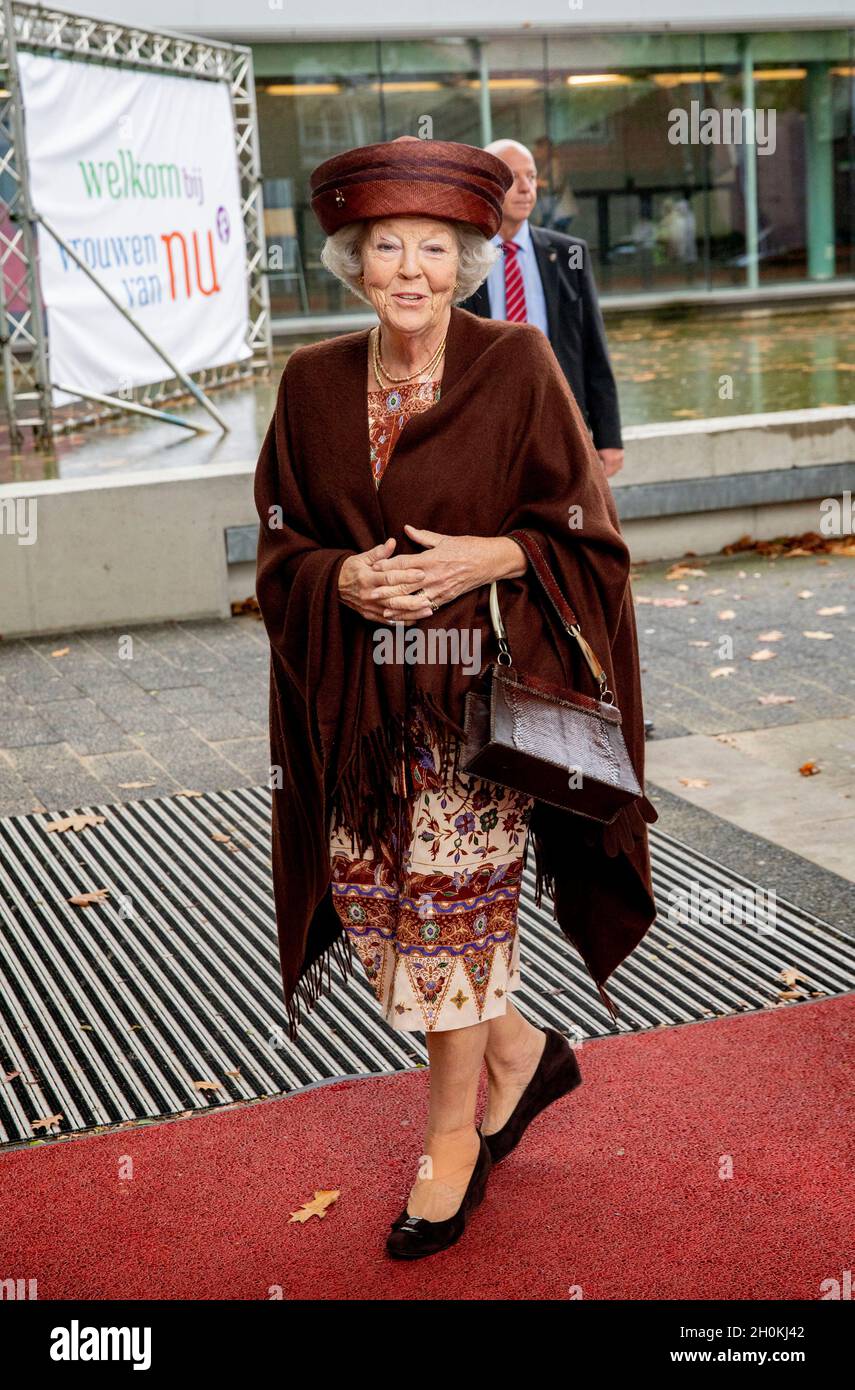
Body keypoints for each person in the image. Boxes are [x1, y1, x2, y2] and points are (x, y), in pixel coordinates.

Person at [253, 136, 658, 1261]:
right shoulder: (312, 383)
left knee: (446, 925)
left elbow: (592, 541)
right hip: (356, 724)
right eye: (387, 247)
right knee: (379, 913)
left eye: (436, 246)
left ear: (472, 256)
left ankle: (450, 1147)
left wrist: (489, 557)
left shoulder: (518, 365)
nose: (413, 269)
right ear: (351, 261)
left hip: (479, 715)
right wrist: (337, 575)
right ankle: (523, 1051)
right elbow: (280, 544)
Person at [459, 138, 624, 480]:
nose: (525, 189)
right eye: (512, 179)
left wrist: (609, 437)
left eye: (531, 177)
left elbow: (594, 350)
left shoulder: (570, 255)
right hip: (486, 421)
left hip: (559, 417)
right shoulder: (461, 259)